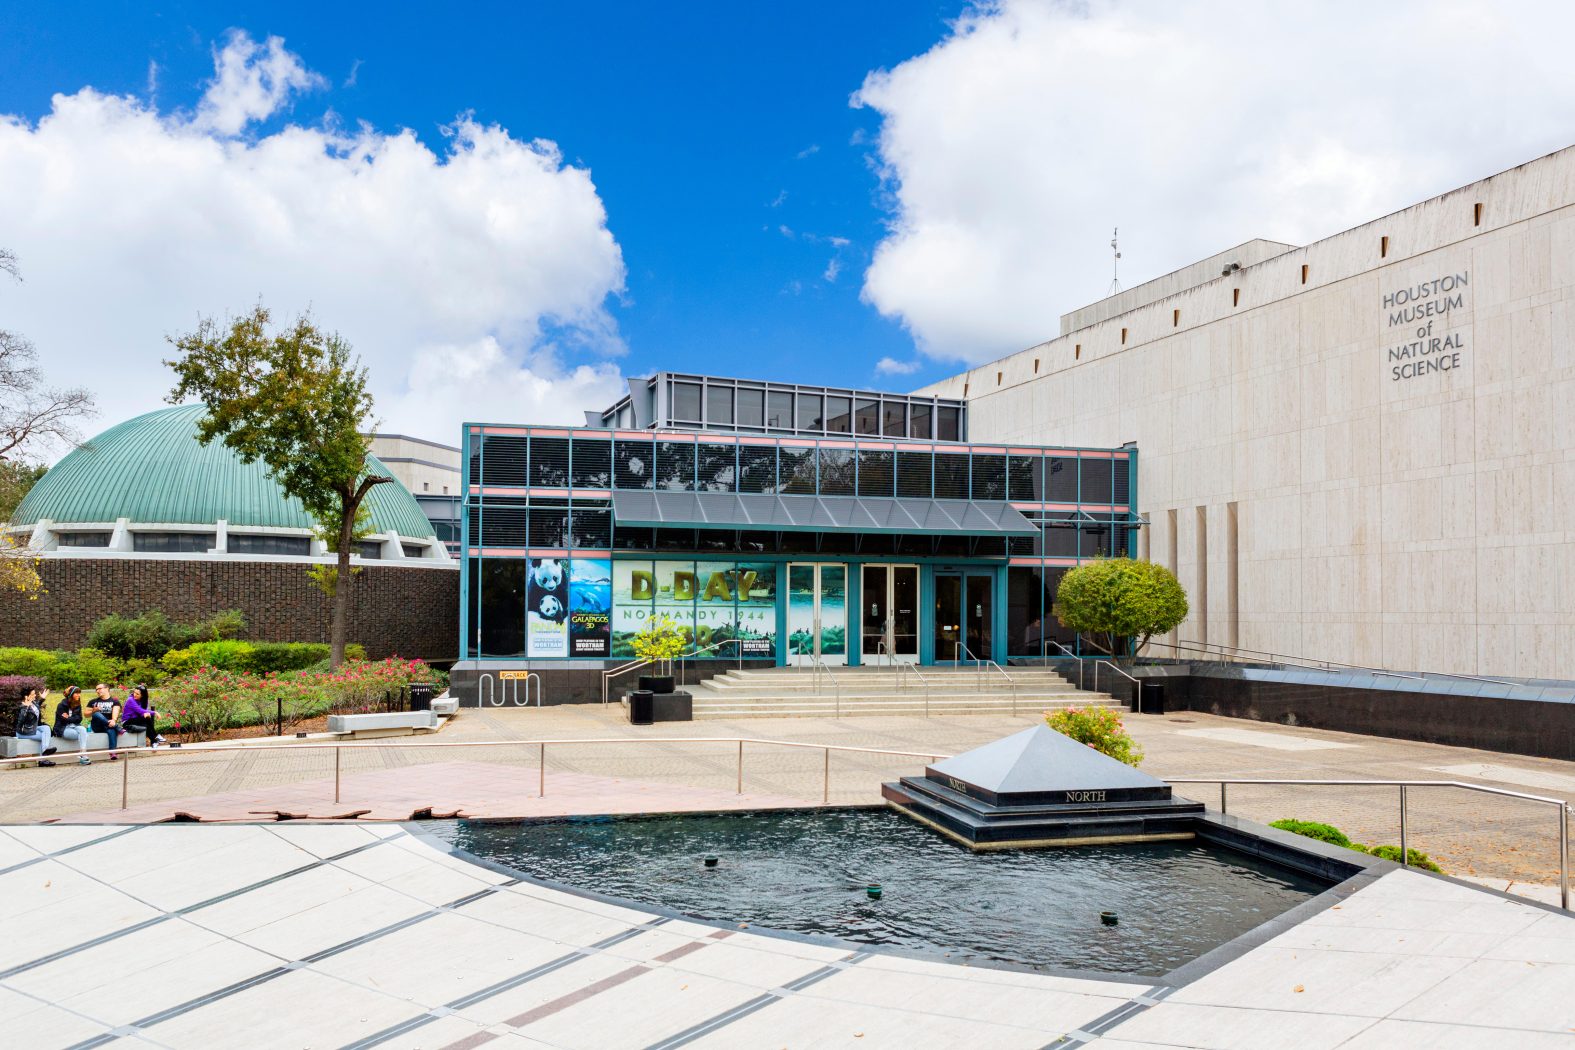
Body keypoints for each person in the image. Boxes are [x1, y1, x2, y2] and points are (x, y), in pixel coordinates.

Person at [14, 685, 57, 767]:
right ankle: (43, 759)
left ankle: (44, 754)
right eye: (33, 694)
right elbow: (20, 722)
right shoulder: (22, 706)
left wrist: (42, 698)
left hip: (32, 729)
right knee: (45, 736)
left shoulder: (33, 703)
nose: (35, 695)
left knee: (46, 728)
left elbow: (37, 705)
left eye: (35, 694)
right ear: (26, 696)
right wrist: (25, 708)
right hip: (23, 732)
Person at [54, 686, 91, 765]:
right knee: (84, 735)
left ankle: (83, 753)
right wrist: (72, 718)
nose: (79, 695)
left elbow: (79, 719)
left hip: (75, 726)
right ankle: (83, 756)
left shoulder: (78, 704)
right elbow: (63, 720)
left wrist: (69, 718)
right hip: (63, 728)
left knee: (83, 730)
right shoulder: (61, 705)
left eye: (79, 693)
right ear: (71, 694)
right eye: (76, 693)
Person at [87, 683, 121, 760]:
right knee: (96, 714)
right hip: (97, 726)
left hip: (108, 726)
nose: (97, 691)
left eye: (99, 689)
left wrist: (113, 720)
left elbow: (115, 713)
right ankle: (117, 727)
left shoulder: (114, 701)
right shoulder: (93, 701)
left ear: (107, 689)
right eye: (96, 689)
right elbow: (86, 714)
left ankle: (113, 753)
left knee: (112, 729)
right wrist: (93, 710)